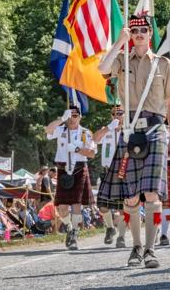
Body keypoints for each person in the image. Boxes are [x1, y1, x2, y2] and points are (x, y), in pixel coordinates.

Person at [98, 14, 170, 269]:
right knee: (131, 197)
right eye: (134, 31)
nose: (139, 34)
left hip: (156, 129)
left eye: (143, 30)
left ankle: (150, 249)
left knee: (152, 193)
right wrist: (118, 42)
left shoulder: (163, 64)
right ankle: (135, 246)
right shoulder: (121, 61)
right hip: (129, 130)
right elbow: (102, 68)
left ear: (150, 34)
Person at [44, 105, 96, 250]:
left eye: (75, 115)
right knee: (61, 207)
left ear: (80, 117)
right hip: (63, 169)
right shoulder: (60, 129)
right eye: (70, 115)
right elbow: (48, 130)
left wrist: (78, 149)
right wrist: (62, 118)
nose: (72, 118)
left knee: (76, 205)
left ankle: (74, 234)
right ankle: (68, 226)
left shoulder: (85, 133)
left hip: (79, 168)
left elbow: (92, 153)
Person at [93, 105, 128, 247]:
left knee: (123, 208)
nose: (118, 116)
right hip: (107, 171)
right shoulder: (106, 129)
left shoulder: (129, 131)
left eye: (120, 113)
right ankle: (110, 228)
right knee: (102, 206)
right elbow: (95, 139)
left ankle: (122, 236)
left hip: (124, 171)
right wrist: (109, 127)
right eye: (115, 113)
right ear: (111, 116)